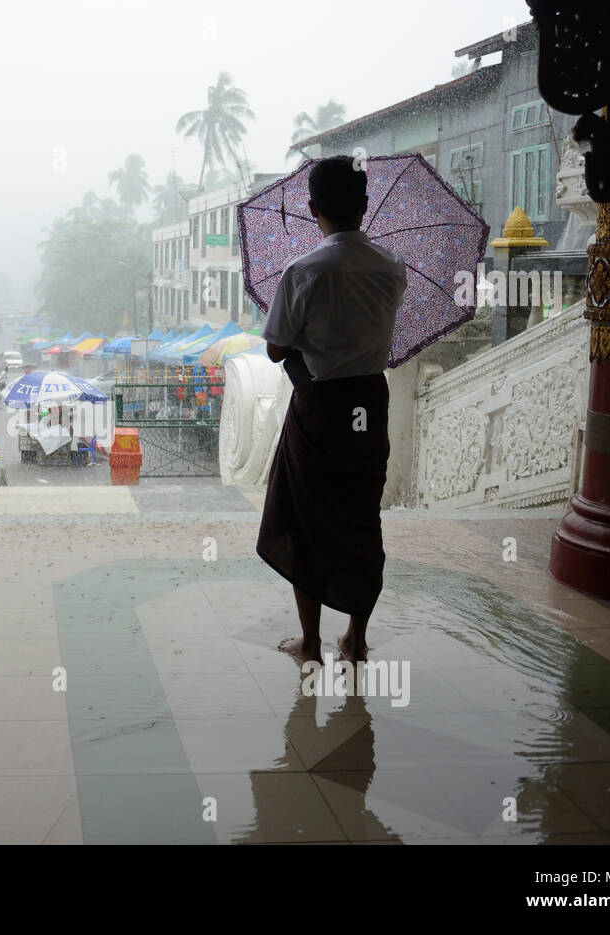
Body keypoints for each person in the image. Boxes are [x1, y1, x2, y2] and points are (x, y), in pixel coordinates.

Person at [256, 155, 408, 666]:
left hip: (320, 407)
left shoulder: (303, 271)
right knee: (361, 515)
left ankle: (310, 643)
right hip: (369, 402)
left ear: (312, 208)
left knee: (305, 517)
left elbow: (276, 349)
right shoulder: (392, 267)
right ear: (365, 206)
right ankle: (357, 640)